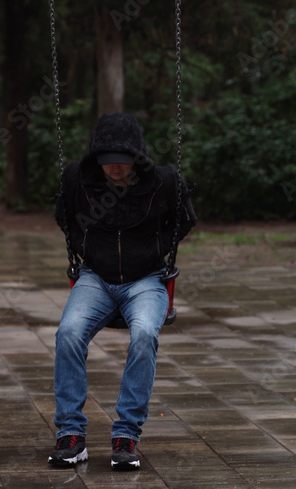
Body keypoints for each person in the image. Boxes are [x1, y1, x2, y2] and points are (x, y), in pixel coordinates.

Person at [49, 112, 196, 470]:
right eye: (107, 162)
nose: (114, 169)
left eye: (122, 162)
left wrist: (155, 249)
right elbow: (63, 217)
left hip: (146, 279)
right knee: (67, 333)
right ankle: (71, 435)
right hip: (95, 278)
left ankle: (126, 434)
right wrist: (85, 247)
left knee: (145, 334)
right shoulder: (77, 179)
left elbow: (186, 220)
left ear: (137, 158)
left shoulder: (163, 183)